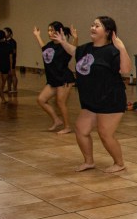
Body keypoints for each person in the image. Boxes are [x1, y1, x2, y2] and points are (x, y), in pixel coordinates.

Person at [53, 16, 131, 173]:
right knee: (81, 130)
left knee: (105, 134)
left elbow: (125, 70)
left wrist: (122, 48)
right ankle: (89, 161)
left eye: (97, 26)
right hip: (91, 99)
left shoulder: (113, 51)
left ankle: (119, 163)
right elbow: (74, 51)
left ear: (107, 32)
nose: (92, 28)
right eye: (92, 25)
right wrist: (62, 42)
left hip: (110, 99)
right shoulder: (85, 48)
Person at [33, 22, 77, 134]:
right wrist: (37, 36)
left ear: (58, 31)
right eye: (48, 30)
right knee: (41, 100)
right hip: (53, 79)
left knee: (60, 102)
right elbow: (43, 49)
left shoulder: (64, 45)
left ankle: (67, 127)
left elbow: (73, 49)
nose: (50, 33)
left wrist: (75, 38)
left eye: (52, 30)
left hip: (64, 79)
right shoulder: (49, 45)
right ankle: (57, 120)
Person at [4, 27, 18, 94]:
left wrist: (11, 61)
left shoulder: (12, 42)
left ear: (9, 33)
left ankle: (15, 89)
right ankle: (9, 88)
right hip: (6, 60)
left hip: (11, 60)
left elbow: (13, 52)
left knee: (13, 74)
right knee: (8, 75)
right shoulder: (5, 41)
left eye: (5, 32)